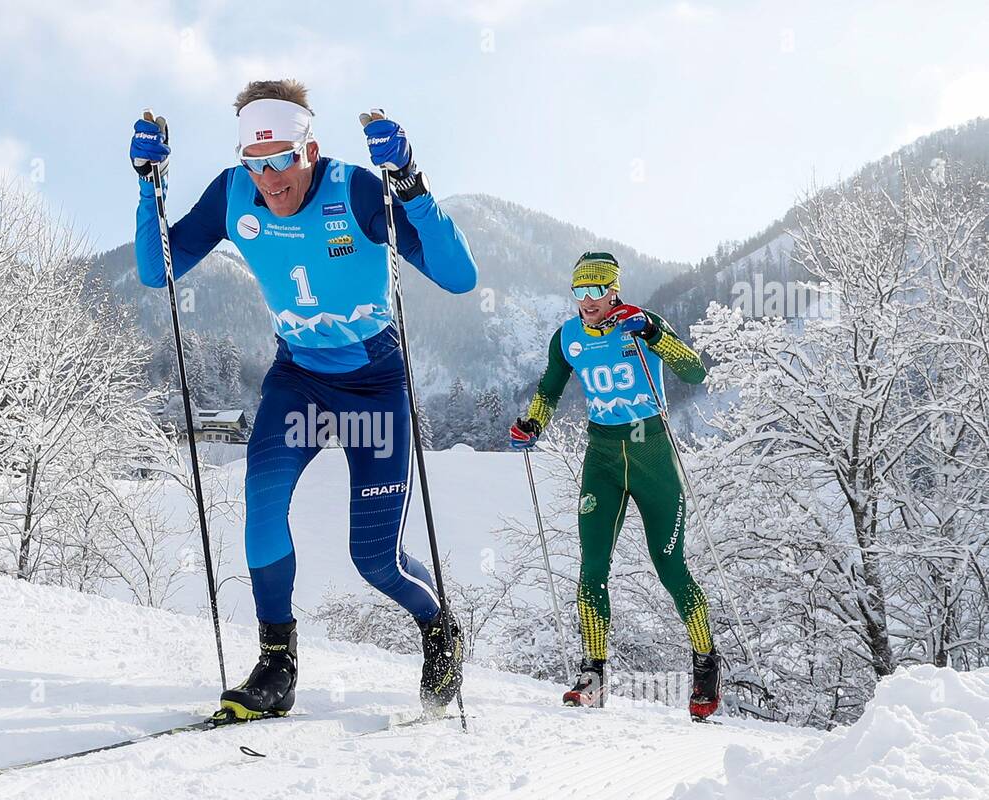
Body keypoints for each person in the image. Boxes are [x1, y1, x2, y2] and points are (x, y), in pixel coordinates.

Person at [131, 79, 477, 719]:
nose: (268, 179)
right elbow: (160, 271)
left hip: (373, 387)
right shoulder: (234, 195)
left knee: (374, 560)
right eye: (254, 162)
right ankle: (277, 665)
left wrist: (410, 182)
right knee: (260, 510)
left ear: (309, 149)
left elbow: (460, 278)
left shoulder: (354, 189)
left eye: (281, 160)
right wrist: (149, 183)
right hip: (299, 382)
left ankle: (439, 627)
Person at [509, 252, 722, 719]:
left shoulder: (641, 326)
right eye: (578, 291)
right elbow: (549, 389)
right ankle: (594, 672)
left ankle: (705, 662)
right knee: (592, 566)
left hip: (652, 452)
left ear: (613, 290)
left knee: (670, 566)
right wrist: (533, 423)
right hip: (602, 457)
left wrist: (653, 331)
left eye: (595, 291)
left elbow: (694, 371)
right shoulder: (568, 338)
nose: (586, 301)